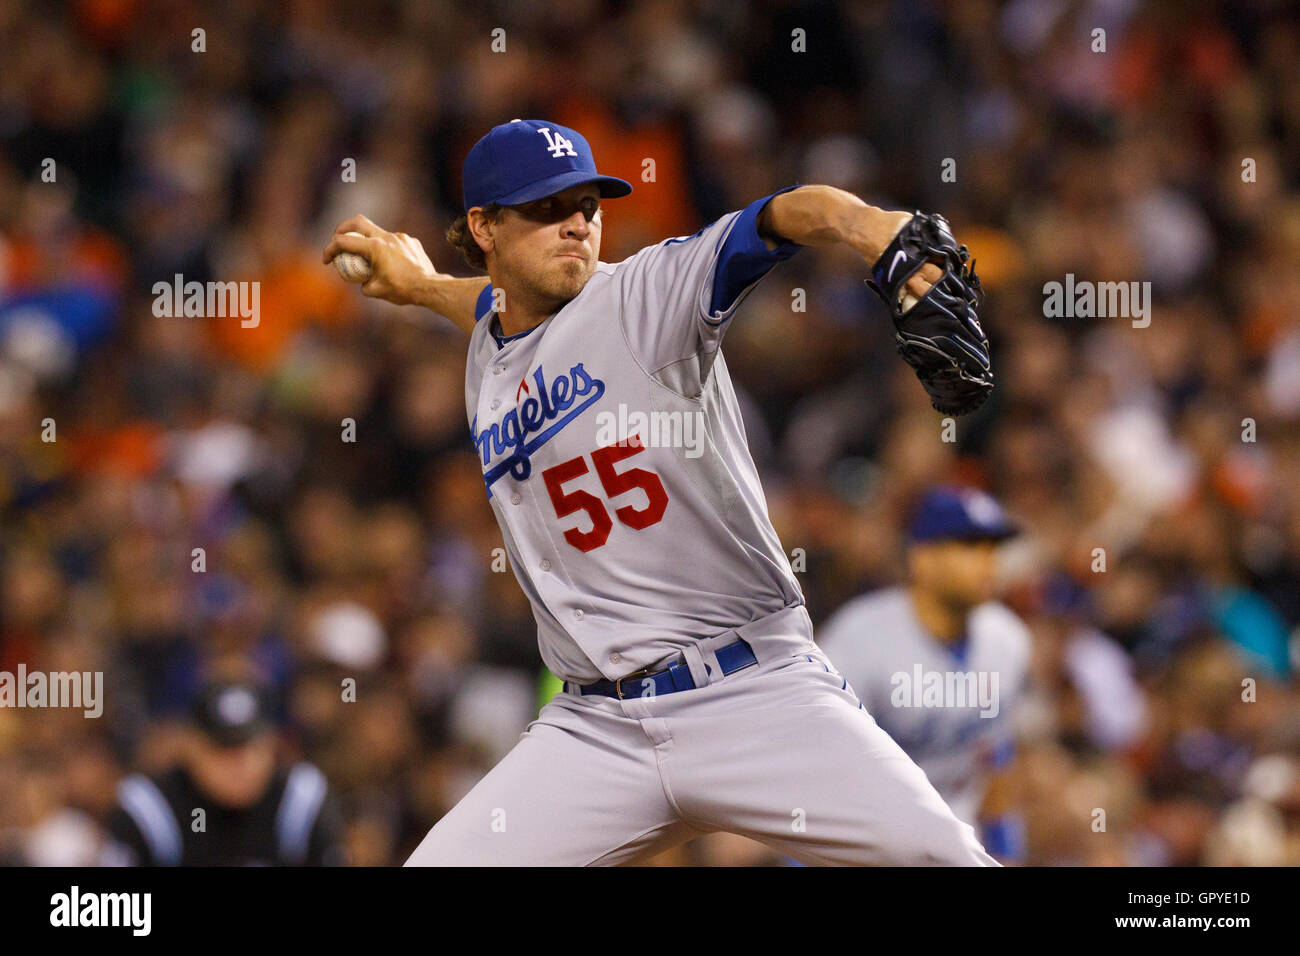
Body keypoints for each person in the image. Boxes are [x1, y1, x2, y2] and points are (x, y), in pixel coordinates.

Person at [323, 118, 994, 865]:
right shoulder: (492, 338)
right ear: (483, 226)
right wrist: (418, 286)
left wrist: (869, 227)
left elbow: (779, 216)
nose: (577, 224)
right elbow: (492, 311)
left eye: (588, 205)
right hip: (596, 731)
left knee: (947, 861)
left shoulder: (645, 296)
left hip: (753, 694)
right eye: (547, 209)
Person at [818, 487, 1032, 863]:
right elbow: (818, 768)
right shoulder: (858, 640)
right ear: (923, 559)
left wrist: (1004, 852)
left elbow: (997, 759)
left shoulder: (1009, 640)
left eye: (993, 548)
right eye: (969, 546)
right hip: (864, 835)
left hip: (955, 830)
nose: (988, 562)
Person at [102, 679, 345, 866]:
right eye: (224, 750)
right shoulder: (149, 806)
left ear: (271, 743)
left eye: (251, 747)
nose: (243, 764)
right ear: (191, 747)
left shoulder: (300, 799)